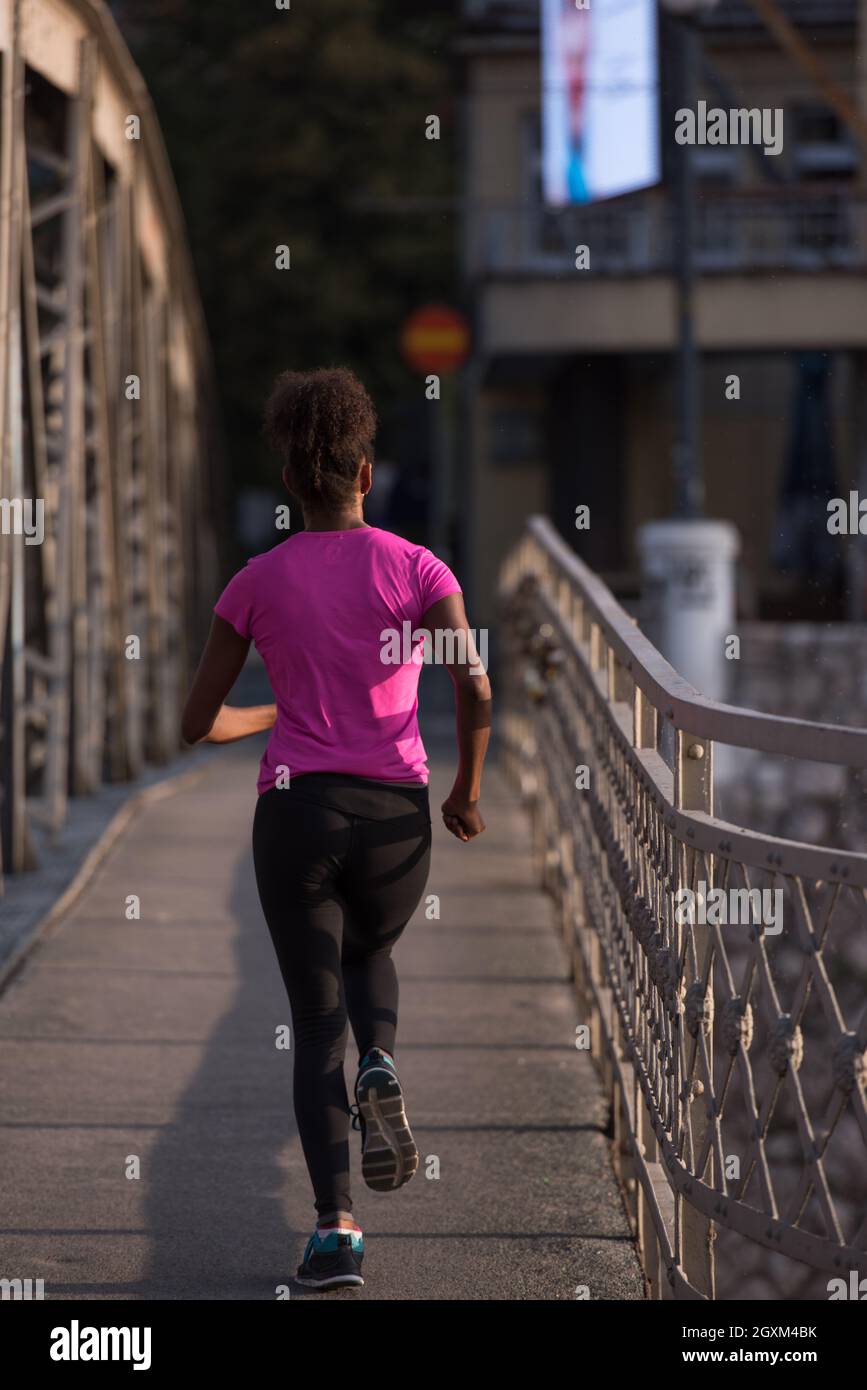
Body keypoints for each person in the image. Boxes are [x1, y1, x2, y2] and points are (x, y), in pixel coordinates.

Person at [181, 366, 492, 1291]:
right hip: (396, 812)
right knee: (371, 957)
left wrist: (273, 716)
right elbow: (470, 684)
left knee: (315, 1020)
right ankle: (385, 1061)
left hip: (297, 812)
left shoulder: (256, 581)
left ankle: (335, 1233)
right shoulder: (418, 568)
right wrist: (466, 791)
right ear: (366, 475)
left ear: (290, 485)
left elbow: (198, 724)